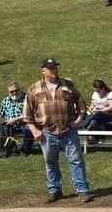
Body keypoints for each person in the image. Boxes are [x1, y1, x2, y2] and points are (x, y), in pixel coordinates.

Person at [22, 57, 92, 203]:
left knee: (76, 160)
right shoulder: (34, 89)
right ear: (43, 71)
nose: (54, 70)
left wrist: (78, 121)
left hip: (68, 130)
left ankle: (82, 190)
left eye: (55, 67)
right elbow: (27, 114)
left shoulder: (69, 85)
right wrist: (34, 130)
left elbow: (81, 106)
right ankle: (54, 190)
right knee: (50, 162)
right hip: (46, 132)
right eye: (50, 68)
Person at [0, 81, 33, 158]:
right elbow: (0, 114)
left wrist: (16, 119)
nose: (14, 93)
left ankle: (25, 150)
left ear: (19, 89)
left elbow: (30, 114)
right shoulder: (5, 100)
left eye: (16, 90)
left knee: (28, 129)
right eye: (11, 91)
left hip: (24, 123)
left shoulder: (27, 98)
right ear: (9, 92)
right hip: (9, 125)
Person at [82, 79, 112, 144]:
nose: (97, 92)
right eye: (95, 90)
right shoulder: (95, 94)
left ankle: (82, 125)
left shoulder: (110, 94)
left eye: (98, 91)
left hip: (109, 114)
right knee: (94, 121)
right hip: (97, 115)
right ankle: (95, 138)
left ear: (103, 88)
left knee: (96, 116)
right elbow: (92, 105)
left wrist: (101, 110)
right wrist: (91, 109)